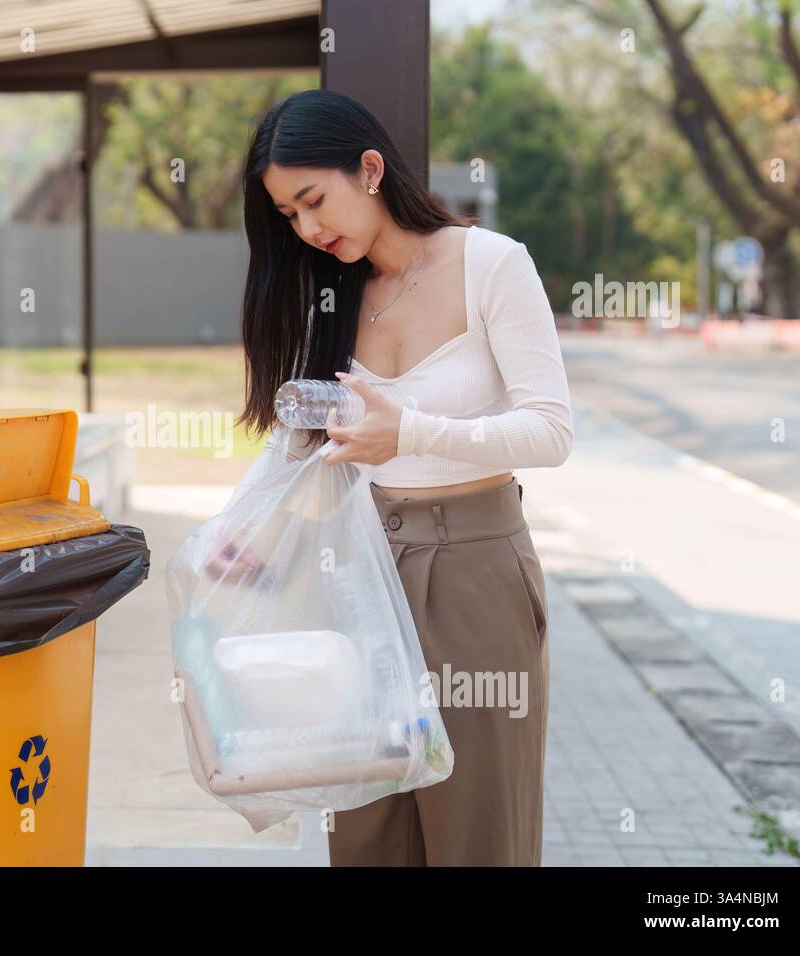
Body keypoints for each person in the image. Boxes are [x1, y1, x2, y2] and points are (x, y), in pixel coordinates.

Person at [210, 89, 575, 865]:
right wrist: (238, 536)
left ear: (369, 168)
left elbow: (551, 431)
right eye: (289, 216)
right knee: (367, 829)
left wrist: (408, 431)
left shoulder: (492, 264)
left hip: (475, 573)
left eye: (314, 200)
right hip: (363, 569)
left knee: (474, 829)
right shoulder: (333, 292)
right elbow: (295, 437)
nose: (308, 229)